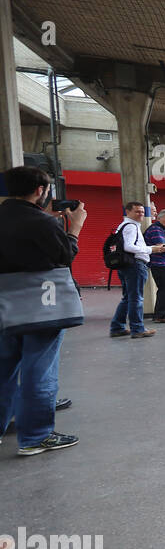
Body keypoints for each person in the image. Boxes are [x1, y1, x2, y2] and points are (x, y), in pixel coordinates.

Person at [0, 166, 86, 454]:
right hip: (41, 306)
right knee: (39, 369)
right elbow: (65, 255)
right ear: (40, 190)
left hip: (3, 306)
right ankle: (35, 436)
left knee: (3, 370)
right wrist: (74, 228)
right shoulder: (43, 223)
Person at [109, 202, 165, 338]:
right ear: (128, 212)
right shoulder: (131, 227)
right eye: (137, 211)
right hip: (135, 265)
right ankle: (137, 329)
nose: (140, 214)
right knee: (136, 298)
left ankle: (117, 327)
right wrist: (150, 249)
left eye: (142, 211)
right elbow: (129, 246)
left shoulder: (123, 226)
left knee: (128, 298)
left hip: (125, 265)